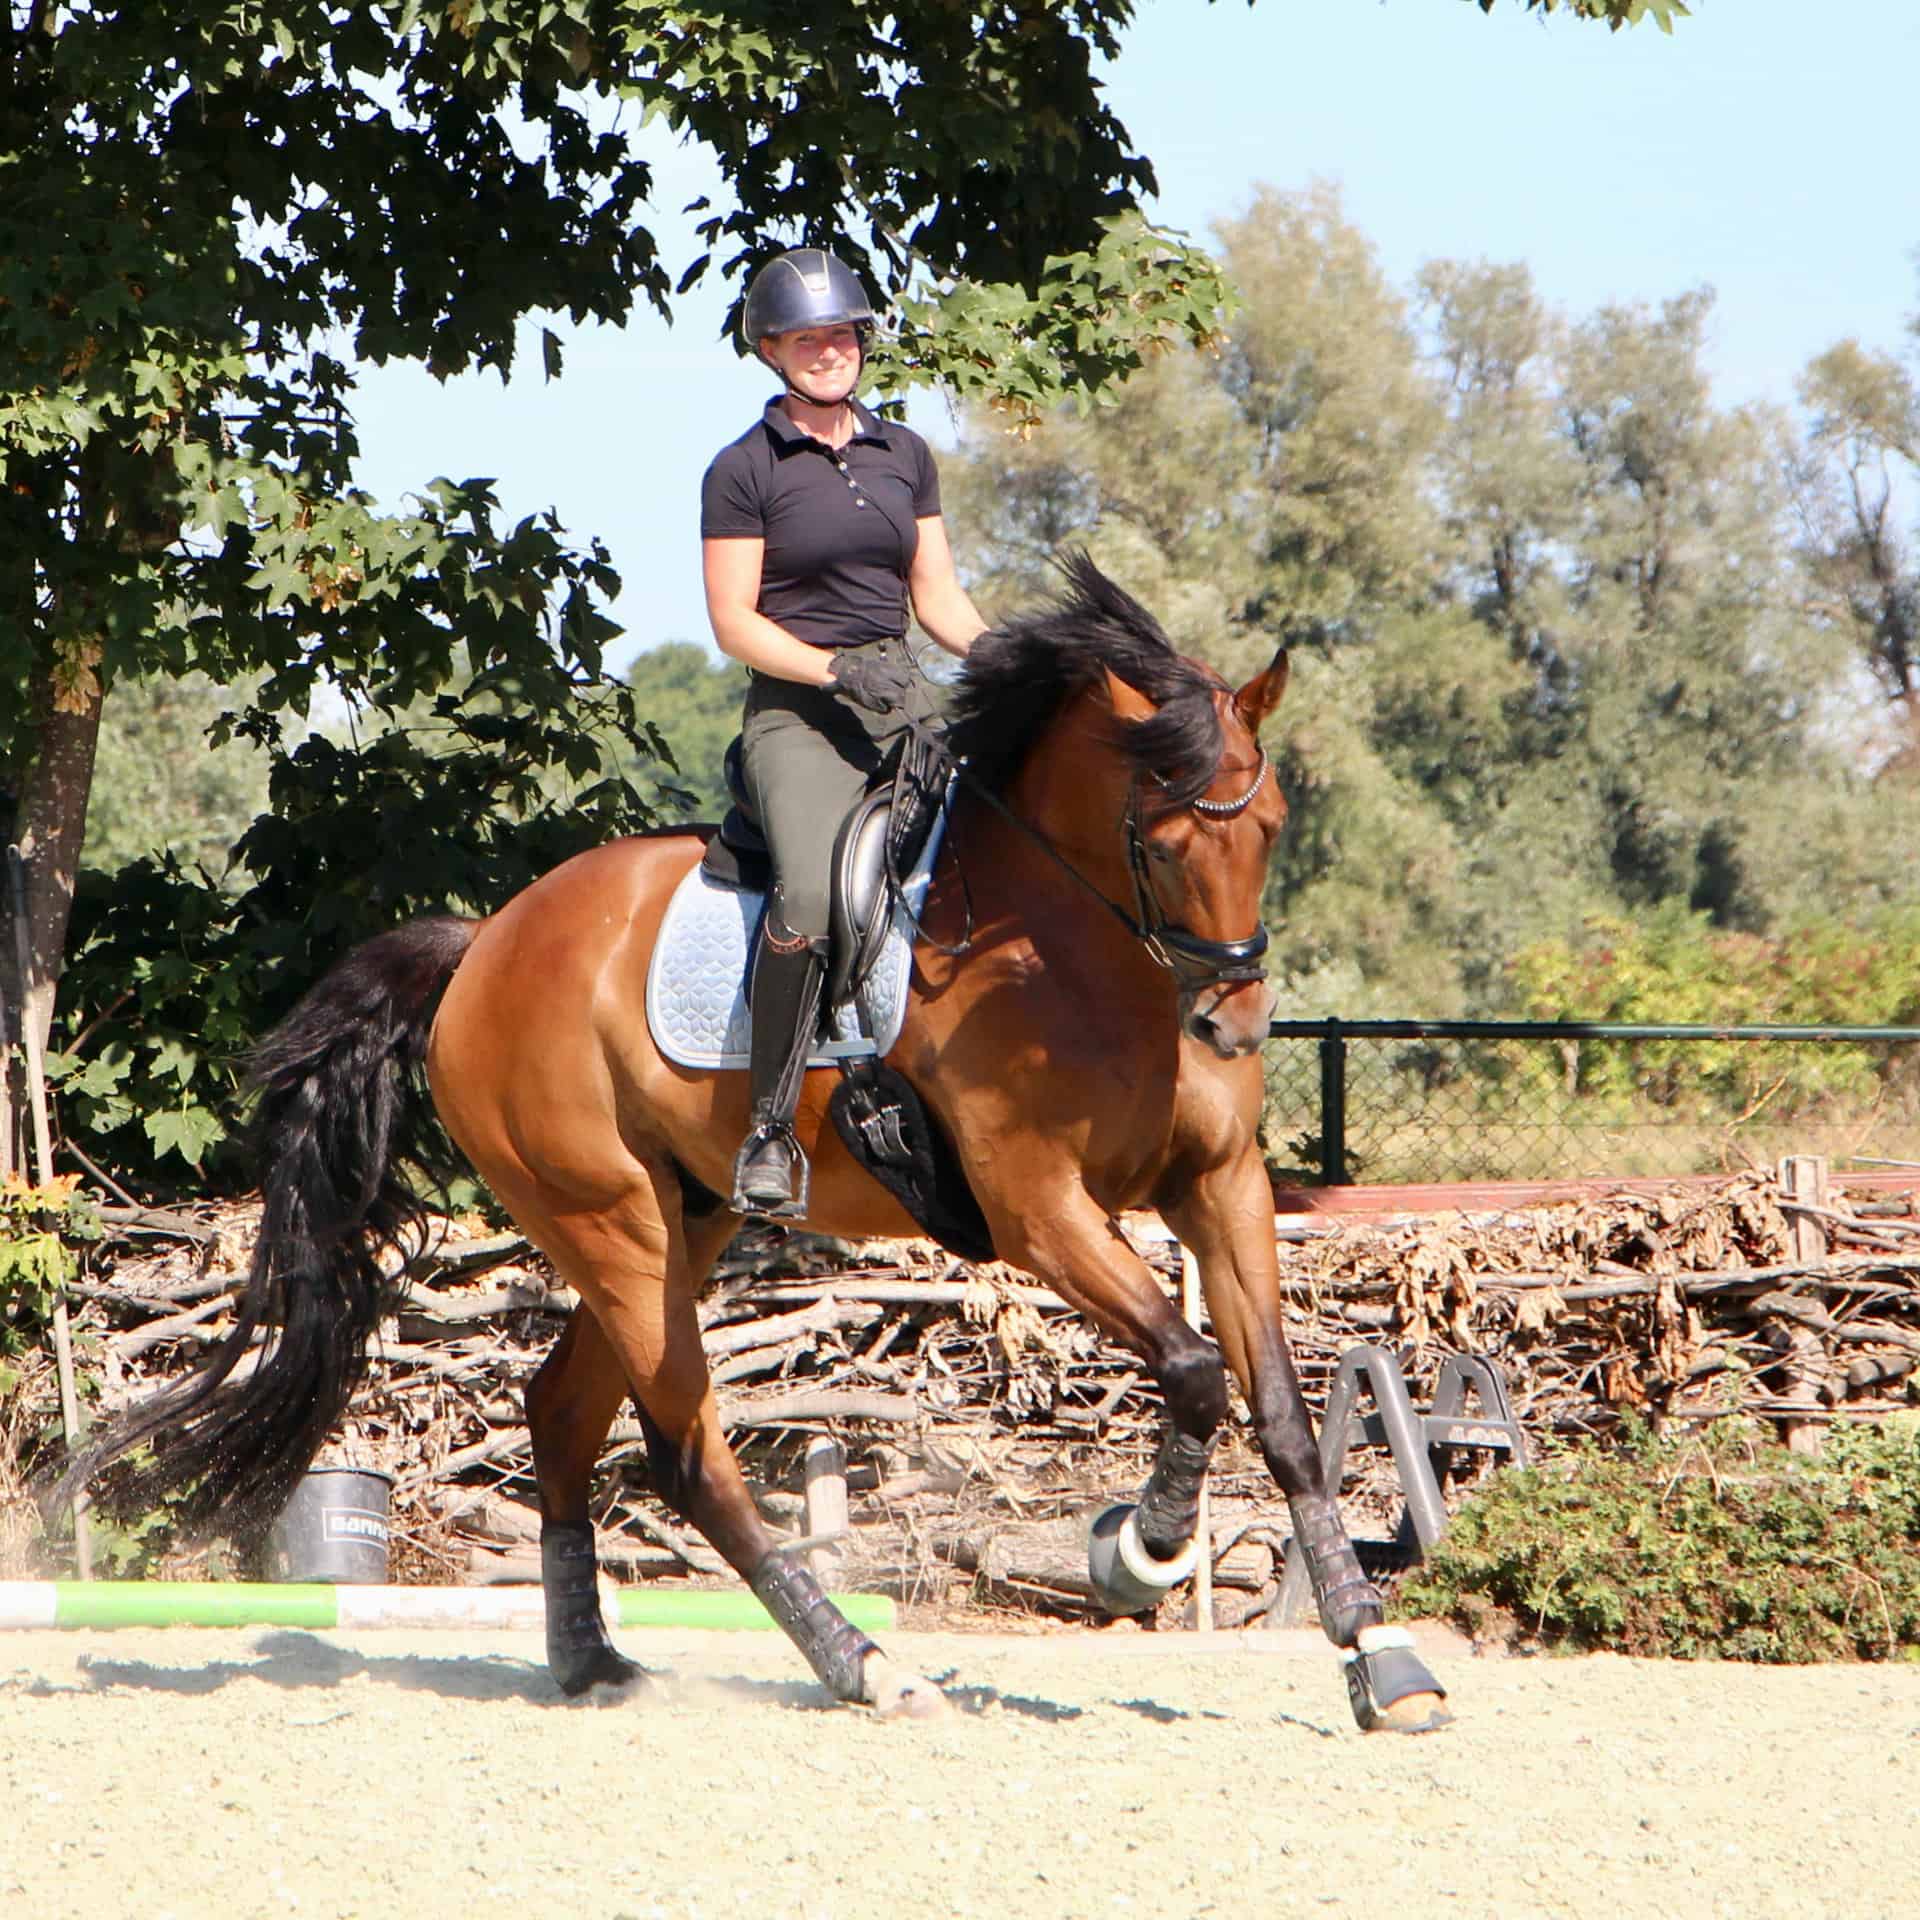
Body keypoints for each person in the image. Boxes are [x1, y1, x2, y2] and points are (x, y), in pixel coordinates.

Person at [701, 246, 993, 1218]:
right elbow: (733, 620)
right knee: (818, 893)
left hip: (903, 698)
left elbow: (938, 595)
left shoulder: (904, 454)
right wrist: (832, 668)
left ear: (861, 342)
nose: (827, 351)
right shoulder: (743, 470)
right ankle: (771, 1133)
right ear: (773, 350)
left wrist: (1008, 658)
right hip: (802, 713)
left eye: (841, 335)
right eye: (806, 338)